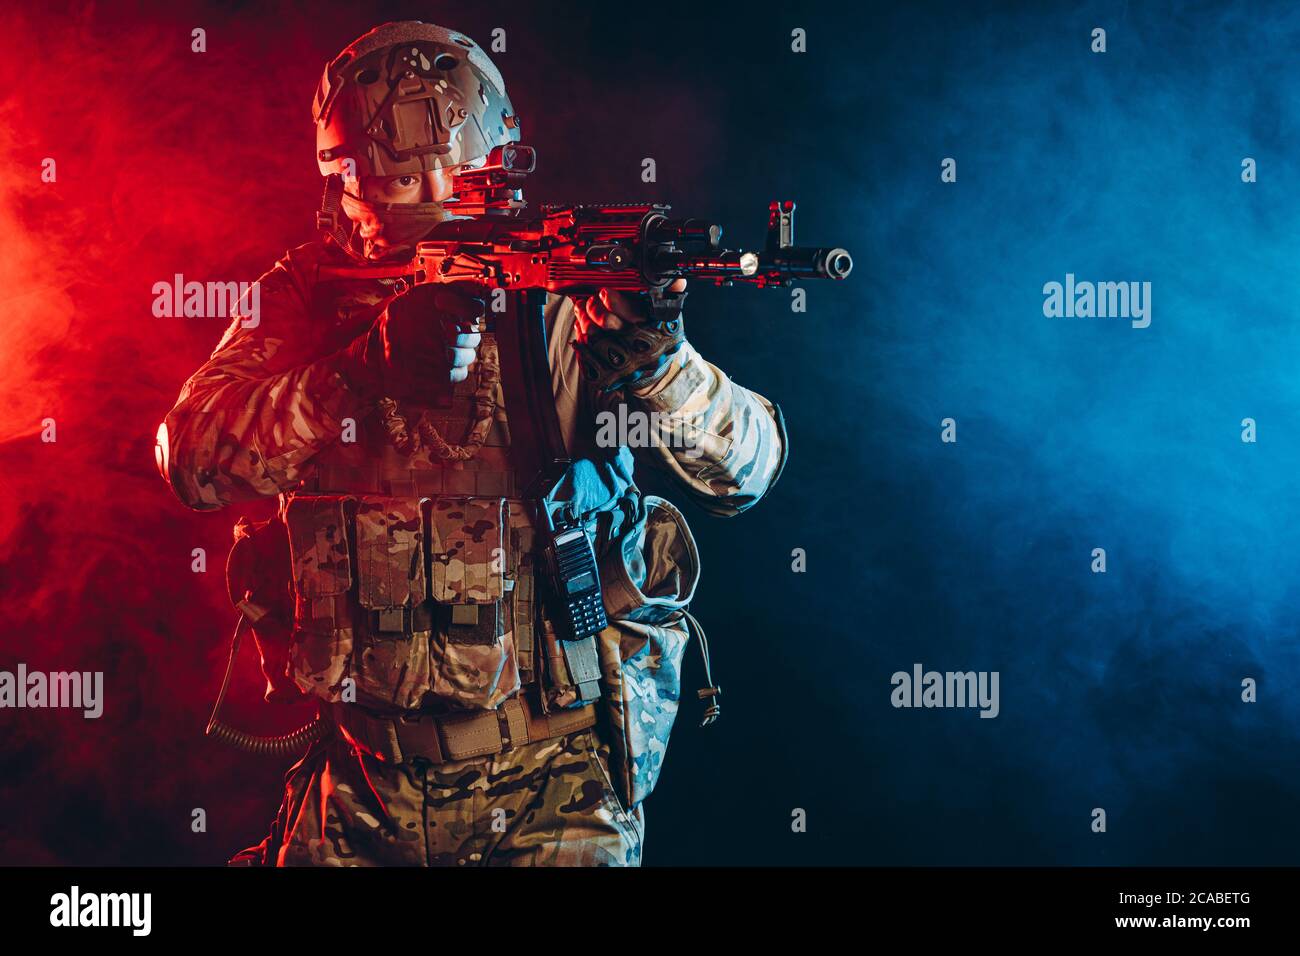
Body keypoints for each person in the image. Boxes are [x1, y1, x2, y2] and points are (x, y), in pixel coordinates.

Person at [158, 20, 787, 866]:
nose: (415, 194)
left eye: (438, 174)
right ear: (343, 176)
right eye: (387, 178)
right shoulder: (309, 297)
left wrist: (659, 365)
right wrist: (359, 371)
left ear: (490, 161)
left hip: (550, 783)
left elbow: (747, 469)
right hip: (360, 780)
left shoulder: (559, 292)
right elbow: (190, 459)